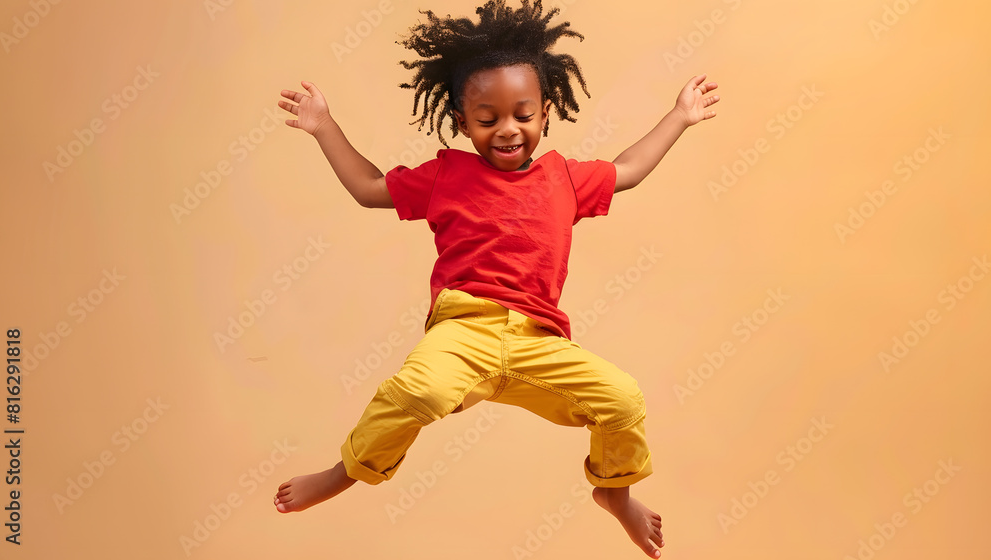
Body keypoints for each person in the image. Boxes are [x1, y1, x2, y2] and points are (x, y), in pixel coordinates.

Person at [273, 1, 719, 557]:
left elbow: (627, 169)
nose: (508, 130)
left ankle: (614, 492)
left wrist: (679, 116)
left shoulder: (564, 177)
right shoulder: (446, 176)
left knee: (623, 399)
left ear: (546, 113)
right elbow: (368, 189)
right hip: (464, 330)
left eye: (523, 115)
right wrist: (323, 126)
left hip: (539, 339)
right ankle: (344, 473)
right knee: (417, 391)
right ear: (463, 122)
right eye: (487, 120)